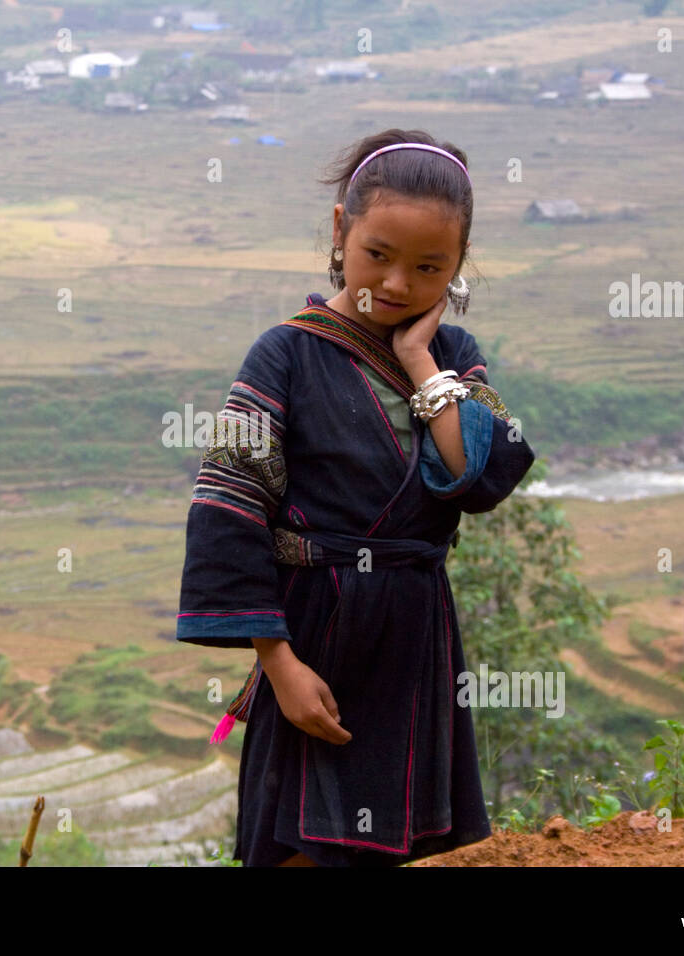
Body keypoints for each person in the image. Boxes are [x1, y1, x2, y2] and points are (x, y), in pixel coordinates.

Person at [174, 128, 537, 867]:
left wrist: (416, 359)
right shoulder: (286, 353)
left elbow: (481, 478)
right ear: (341, 231)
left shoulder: (454, 359)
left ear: (459, 267)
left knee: (415, 844)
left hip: (416, 637)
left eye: (429, 267)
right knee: (308, 846)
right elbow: (229, 508)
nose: (399, 285)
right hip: (317, 640)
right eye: (379, 255)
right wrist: (279, 664)